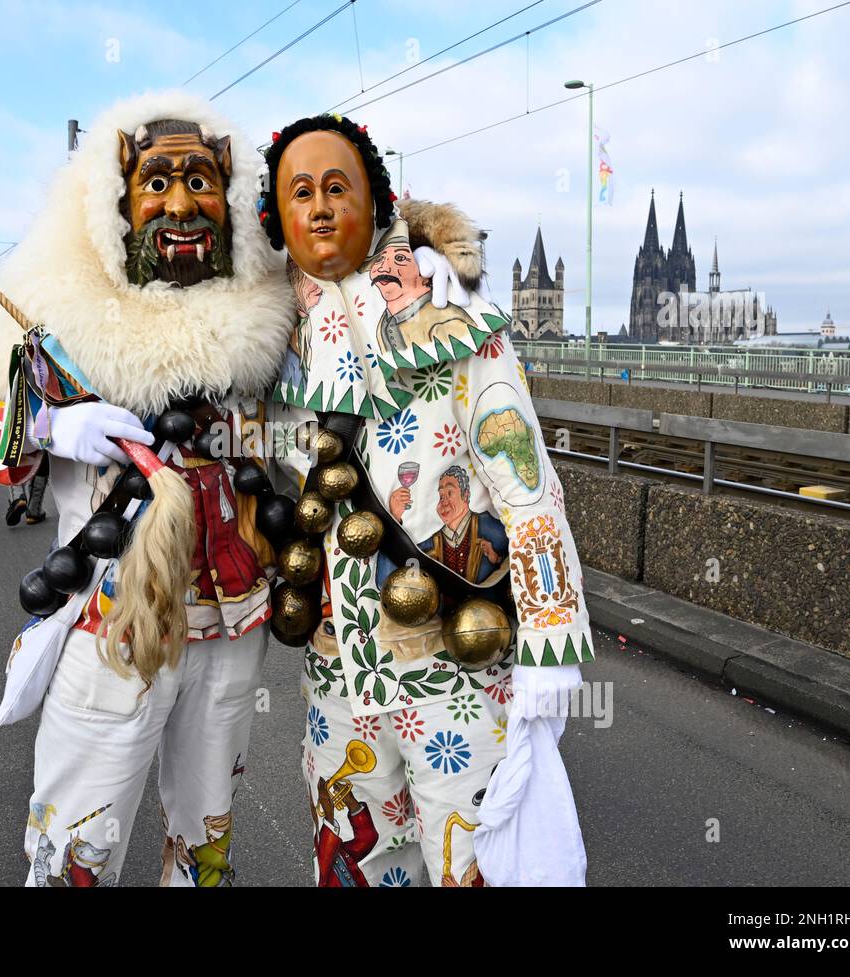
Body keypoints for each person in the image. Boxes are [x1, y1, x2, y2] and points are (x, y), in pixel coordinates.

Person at [0, 93, 296, 887]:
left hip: (233, 618)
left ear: (232, 195)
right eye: (156, 183)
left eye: (200, 182)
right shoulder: (59, 318)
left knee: (208, 832)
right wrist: (50, 428)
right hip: (116, 623)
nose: (180, 205)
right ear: (118, 202)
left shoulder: (273, 318)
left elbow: (311, 432)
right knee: (80, 834)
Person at [263, 114, 592, 887]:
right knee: (356, 856)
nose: (316, 207)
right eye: (298, 192)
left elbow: (525, 480)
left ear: (376, 199)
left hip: (453, 669)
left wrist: (551, 640)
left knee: (469, 863)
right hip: (337, 676)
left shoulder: (455, 316)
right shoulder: (271, 338)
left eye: (335, 187)